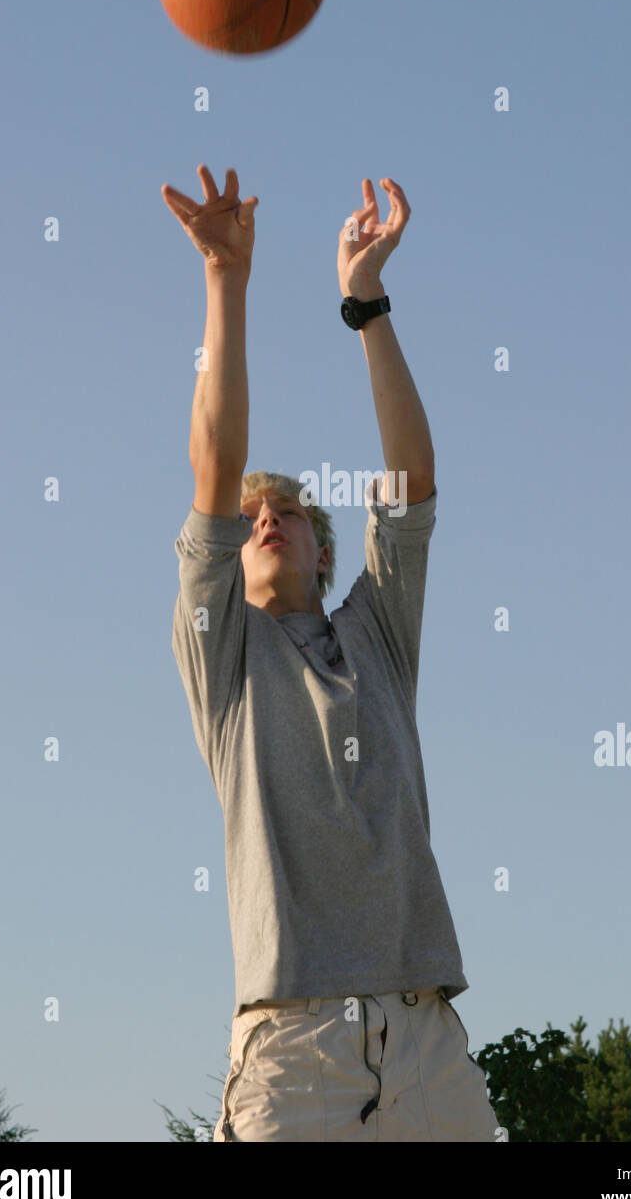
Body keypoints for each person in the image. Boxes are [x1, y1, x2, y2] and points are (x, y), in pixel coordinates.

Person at [163, 163, 496, 1142]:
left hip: (424, 1035)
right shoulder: (223, 653)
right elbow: (214, 467)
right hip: (294, 1044)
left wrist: (364, 302)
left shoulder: (375, 635)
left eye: (291, 510)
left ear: (322, 545)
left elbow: (414, 475)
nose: (266, 516)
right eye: (253, 513)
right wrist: (226, 283)